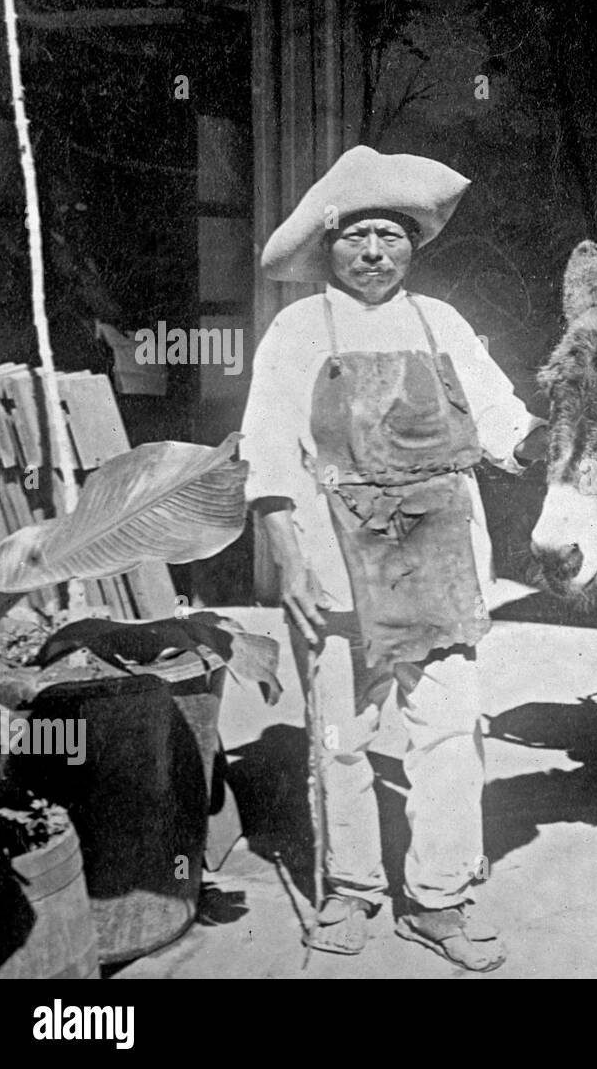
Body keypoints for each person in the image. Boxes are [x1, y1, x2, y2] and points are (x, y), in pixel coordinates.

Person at [240, 146, 546, 972]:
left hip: (440, 555)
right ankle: (351, 886)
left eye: (392, 236)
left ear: (413, 246)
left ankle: (440, 898)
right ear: (327, 247)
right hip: (337, 561)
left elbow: (497, 417)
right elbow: (267, 453)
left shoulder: (440, 324)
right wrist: (289, 563)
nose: (374, 252)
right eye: (356, 237)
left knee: (447, 731)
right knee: (341, 733)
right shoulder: (298, 329)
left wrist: (547, 444)